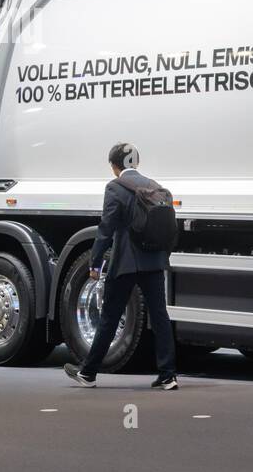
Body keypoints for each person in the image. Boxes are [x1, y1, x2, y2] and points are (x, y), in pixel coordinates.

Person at [64, 143, 179, 390]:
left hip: (127, 262)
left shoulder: (115, 188)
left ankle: (88, 373)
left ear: (115, 166)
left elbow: (106, 229)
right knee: (160, 316)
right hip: (154, 260)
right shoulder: (153, 185)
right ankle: (168, 375)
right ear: (135, 163)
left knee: (109, 317)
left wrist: (95, 263)